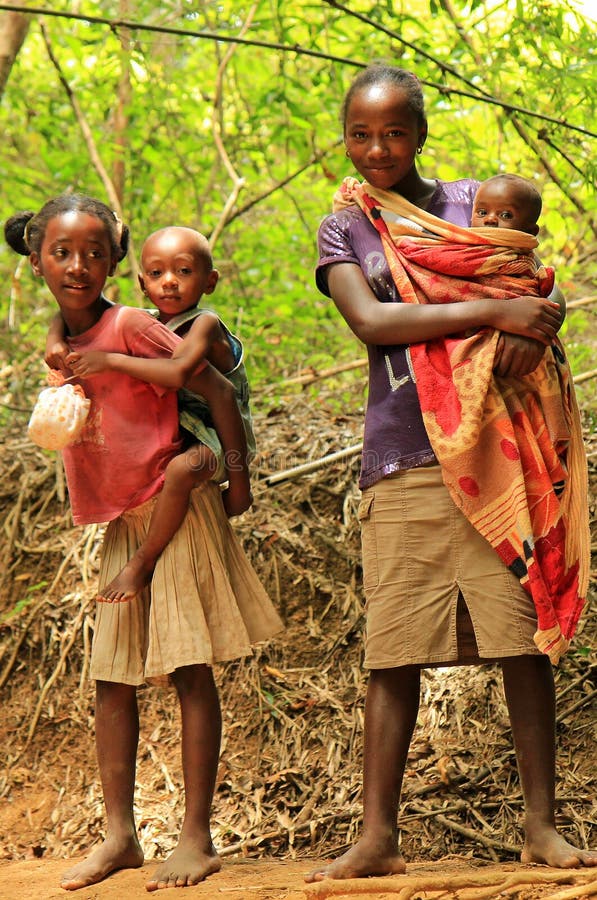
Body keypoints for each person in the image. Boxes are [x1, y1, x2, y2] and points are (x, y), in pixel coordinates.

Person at [305, 65, 594, 884]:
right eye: (359, 133)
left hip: (498, 448)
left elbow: (533, 281)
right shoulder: (346, 228)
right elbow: (371, 321)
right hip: (402, 453)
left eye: (392, 132)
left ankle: (540, 826)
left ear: (420, 133)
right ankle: (376, 836)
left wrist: (534, 320)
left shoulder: (475, 205)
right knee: (391, 652)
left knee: (519, 640)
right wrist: (489, 313)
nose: (374, 149)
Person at [5, 194, 283, 892]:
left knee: (188, 670)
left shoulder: (132, 326)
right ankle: (119, 837)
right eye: (62, 253)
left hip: (174, 507)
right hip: (120, 516)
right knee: (111, 678)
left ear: (113, 263)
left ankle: (195, 837)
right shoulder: (63, 338)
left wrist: (238, 474)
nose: (78, 266)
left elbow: (215, 387)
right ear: (36, 260)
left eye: (94, 253)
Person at [47, 225, 257, 603]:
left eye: (184, 271)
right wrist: (54, 339)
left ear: (210, 281)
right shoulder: (149, 322)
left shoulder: (205, 324)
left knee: (179, 471)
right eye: (157, 274)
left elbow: (178, 373)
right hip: (184, 433)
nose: (170, 283)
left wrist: (111, 360)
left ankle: (142, 562)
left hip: (219, 436)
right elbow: (71, 313)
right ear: (143, 284)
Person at [471, 173, 542, 234]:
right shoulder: (463, 245)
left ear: (530, 232)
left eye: (506, 215)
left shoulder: (518, 250)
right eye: (482, 213)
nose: (490, 219)